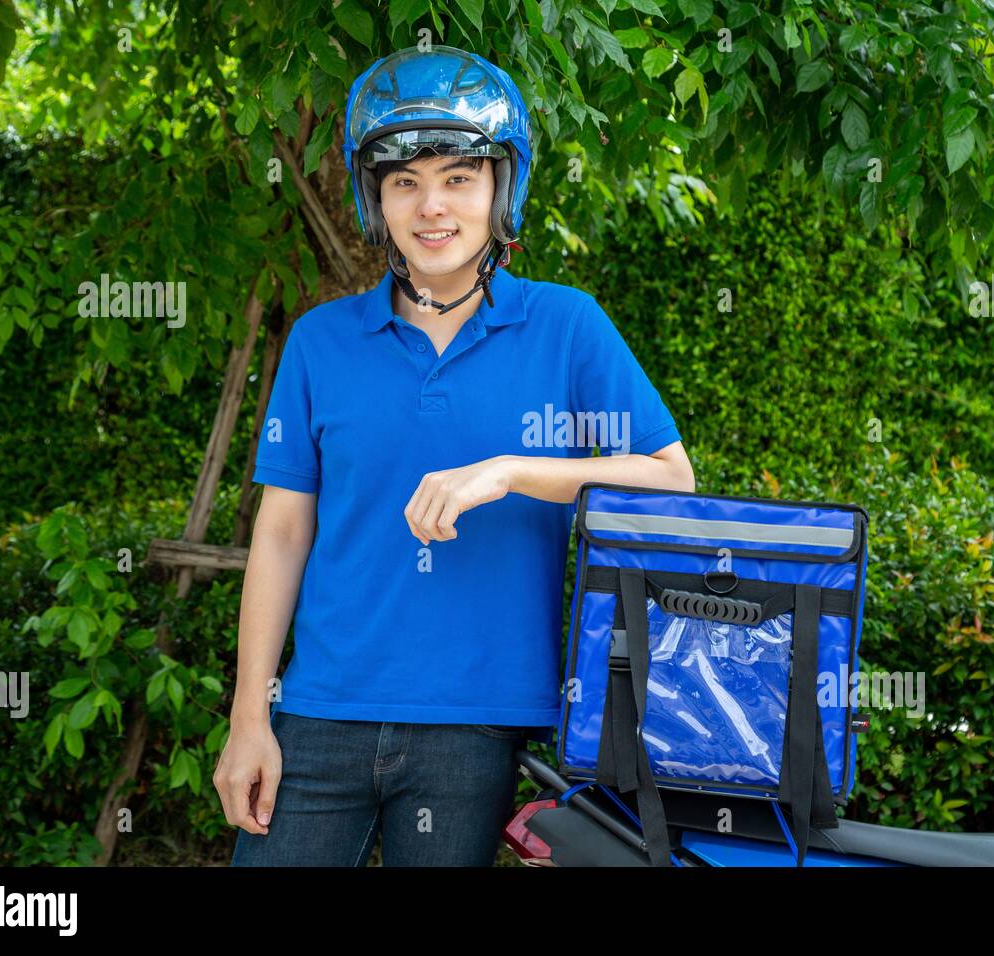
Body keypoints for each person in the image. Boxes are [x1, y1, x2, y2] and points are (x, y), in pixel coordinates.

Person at [217, 44, 693, 867]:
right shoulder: (320, 343)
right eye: (405, 181)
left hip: (475, 724)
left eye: (459, 178)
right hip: (318, 713)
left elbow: (670, 478)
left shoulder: (568, 326)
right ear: (377, 199)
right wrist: (249, 719)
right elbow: (283, 533)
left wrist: (508, 471)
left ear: (500, 191)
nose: (431, 206)